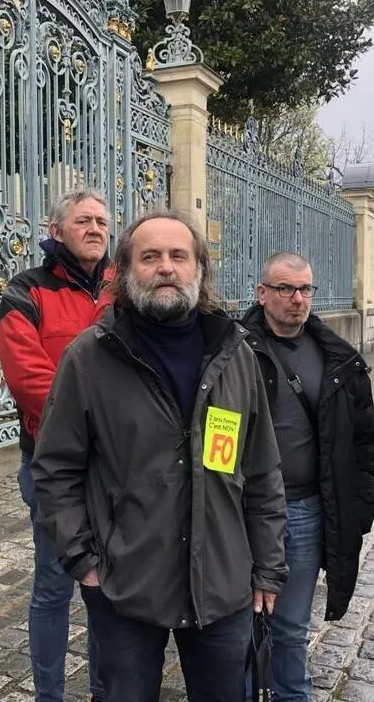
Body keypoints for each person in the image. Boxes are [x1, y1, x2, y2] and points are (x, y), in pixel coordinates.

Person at [31, 209, 288, 702]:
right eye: (150, 257)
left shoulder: (236, 355)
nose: (165, 267)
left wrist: (267, 566)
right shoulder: (90, 356)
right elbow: (55, 469)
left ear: (199, 269)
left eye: (178, 255)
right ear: (126, 270)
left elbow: (261, 471)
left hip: (223, 584)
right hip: (125, 585)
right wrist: (83, 559)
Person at [240, 252, 374, 702]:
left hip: (304, 510)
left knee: (292, 625)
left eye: (305, 290)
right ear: (262, 294)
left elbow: (360, 440)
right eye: (285, 289)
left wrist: (360, 505)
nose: (297, 299)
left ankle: (292, 695)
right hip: (241, 511)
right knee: (237, 623)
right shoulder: (232, 350)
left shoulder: (337, 356)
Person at [0, 190, 113, 702]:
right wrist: (92, 423)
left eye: (103, 222)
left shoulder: (124, 285)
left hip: (117, 465)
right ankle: (49, 695)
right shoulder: (27, 290)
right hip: (53, 465)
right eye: (83, 220)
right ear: (56, 228)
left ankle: (105, 690)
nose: (95, 229)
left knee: (108, 588)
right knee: (53, 584)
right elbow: (27, 376)